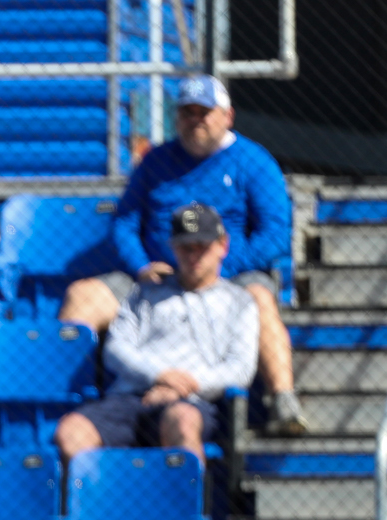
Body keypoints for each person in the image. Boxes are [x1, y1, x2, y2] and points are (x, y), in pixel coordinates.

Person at [61, 76, 303, 436]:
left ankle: (282, 399)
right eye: (188, 113)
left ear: (227, 116)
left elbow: (276, 234)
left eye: (204, 112)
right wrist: (141, 266)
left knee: (260, 298)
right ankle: (62, 395)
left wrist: (220, 267)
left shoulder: (253, 162)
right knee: (82, 296)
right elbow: (125, 223)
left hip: (230, 272)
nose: (196, 120)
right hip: (155, 277)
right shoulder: (156, 161)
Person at [56, 203, 256, 460]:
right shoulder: (145, 293)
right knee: (72, 432)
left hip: (191, 401)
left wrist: (185, 386)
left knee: (182, 422)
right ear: (173, 247)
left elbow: (240, 368)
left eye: (202, 246)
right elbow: (115, 349)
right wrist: (158, 376)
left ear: (222, 246)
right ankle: (105, 499)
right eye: (186, 247)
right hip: (130, 397)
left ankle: (183, 500)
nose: (193, 256)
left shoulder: (239, 301)